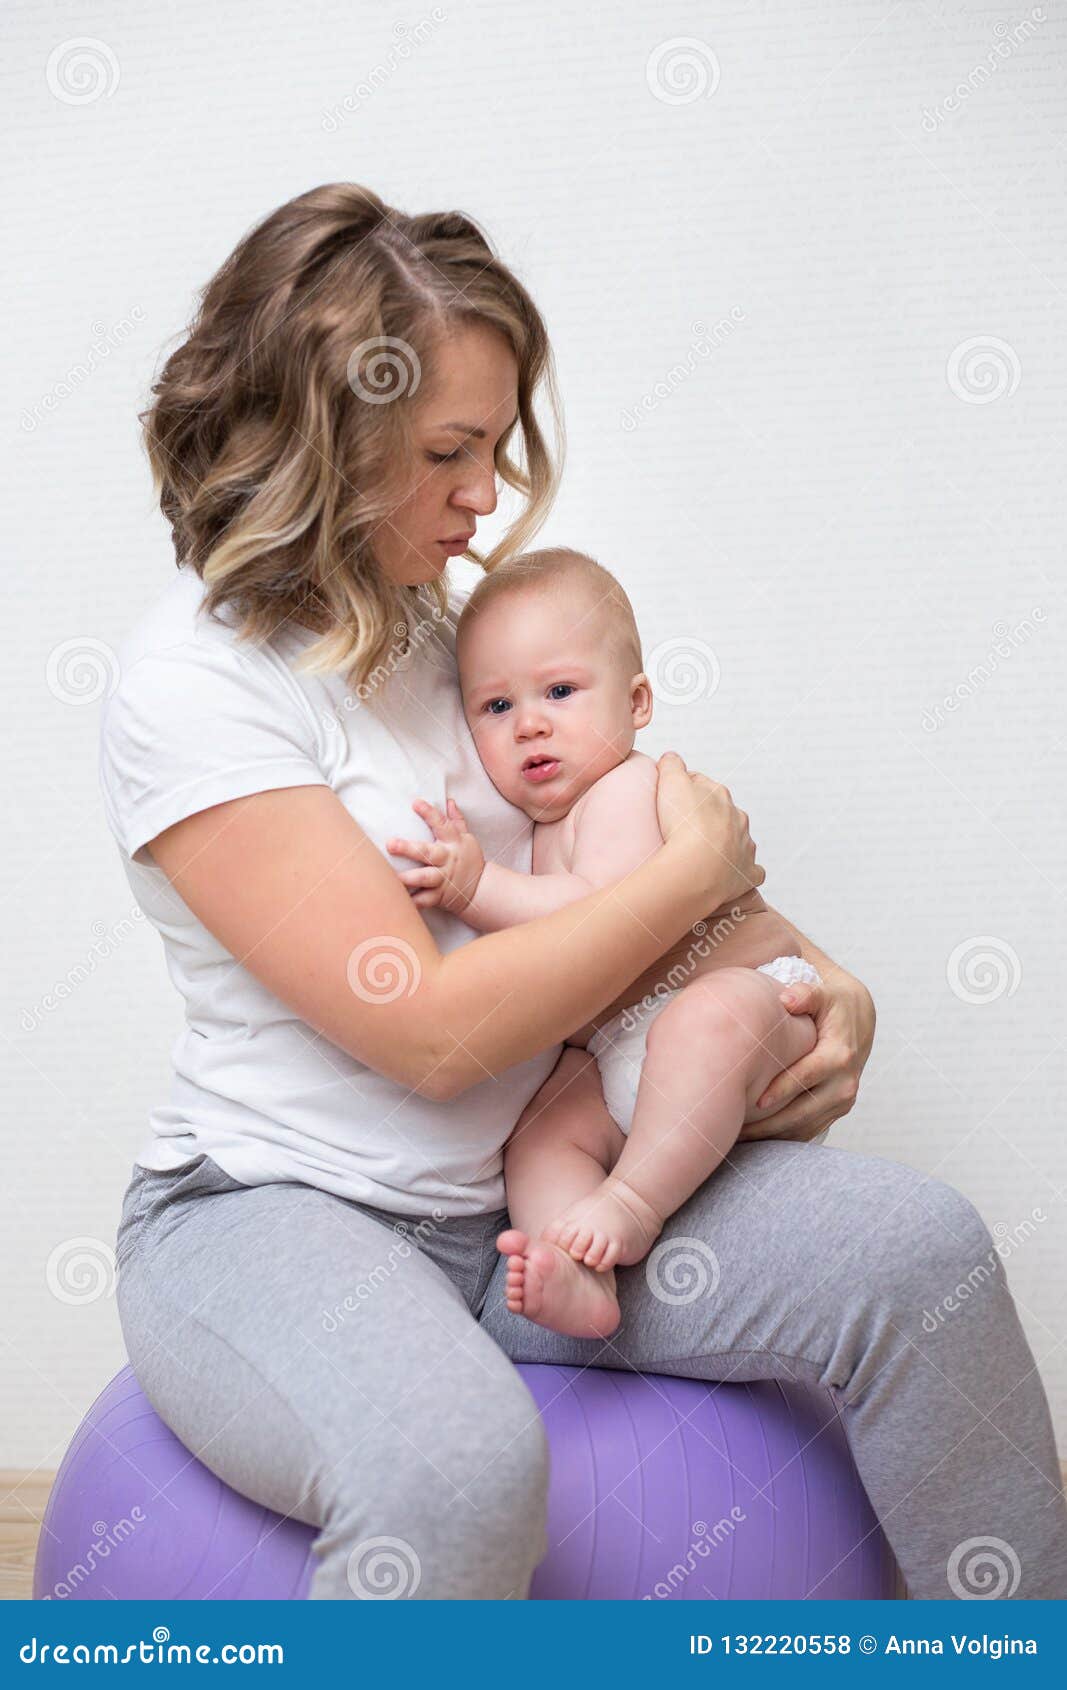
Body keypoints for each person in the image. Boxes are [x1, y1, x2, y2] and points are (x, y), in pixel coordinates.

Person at [102, 182, 1067, 1601]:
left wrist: (824, 982)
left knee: (918, 1257)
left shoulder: (464, 629)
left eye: (491, 446)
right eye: (446, 451)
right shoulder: (192, 680)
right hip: (272, 1215)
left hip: (537, 1207)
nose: (483, 495)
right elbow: (427, 1025)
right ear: (321, 435)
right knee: (455, 1471)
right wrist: (696, 871)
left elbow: (618, 852)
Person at [386, 544, 827, 1340]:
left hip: (739, 1010)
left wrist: (475, 888)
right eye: (495, 707)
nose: (530, 724)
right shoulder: (535, 823)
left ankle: (630, 1204)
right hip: (622, 1049)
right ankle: (574, 1267)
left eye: (560, 690)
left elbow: (600, 914)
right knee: (541, 1131)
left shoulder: (631, 786)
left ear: (637, 702)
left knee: (707, 1019)